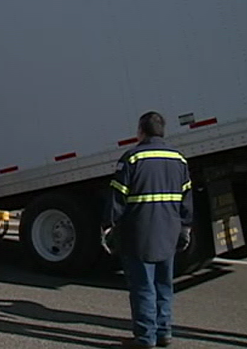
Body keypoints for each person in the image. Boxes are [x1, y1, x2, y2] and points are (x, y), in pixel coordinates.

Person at [102, 112, 193, 348]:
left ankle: (145, 338)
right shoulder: (179, 159)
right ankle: (164, 332)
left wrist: (108, 228)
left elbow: (117, 199)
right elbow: (186, 199)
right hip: (169, 232)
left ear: (140, 131)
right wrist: (185, 227)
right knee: (164, 285)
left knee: (143, 287)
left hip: (138, 233)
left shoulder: (132, 158)